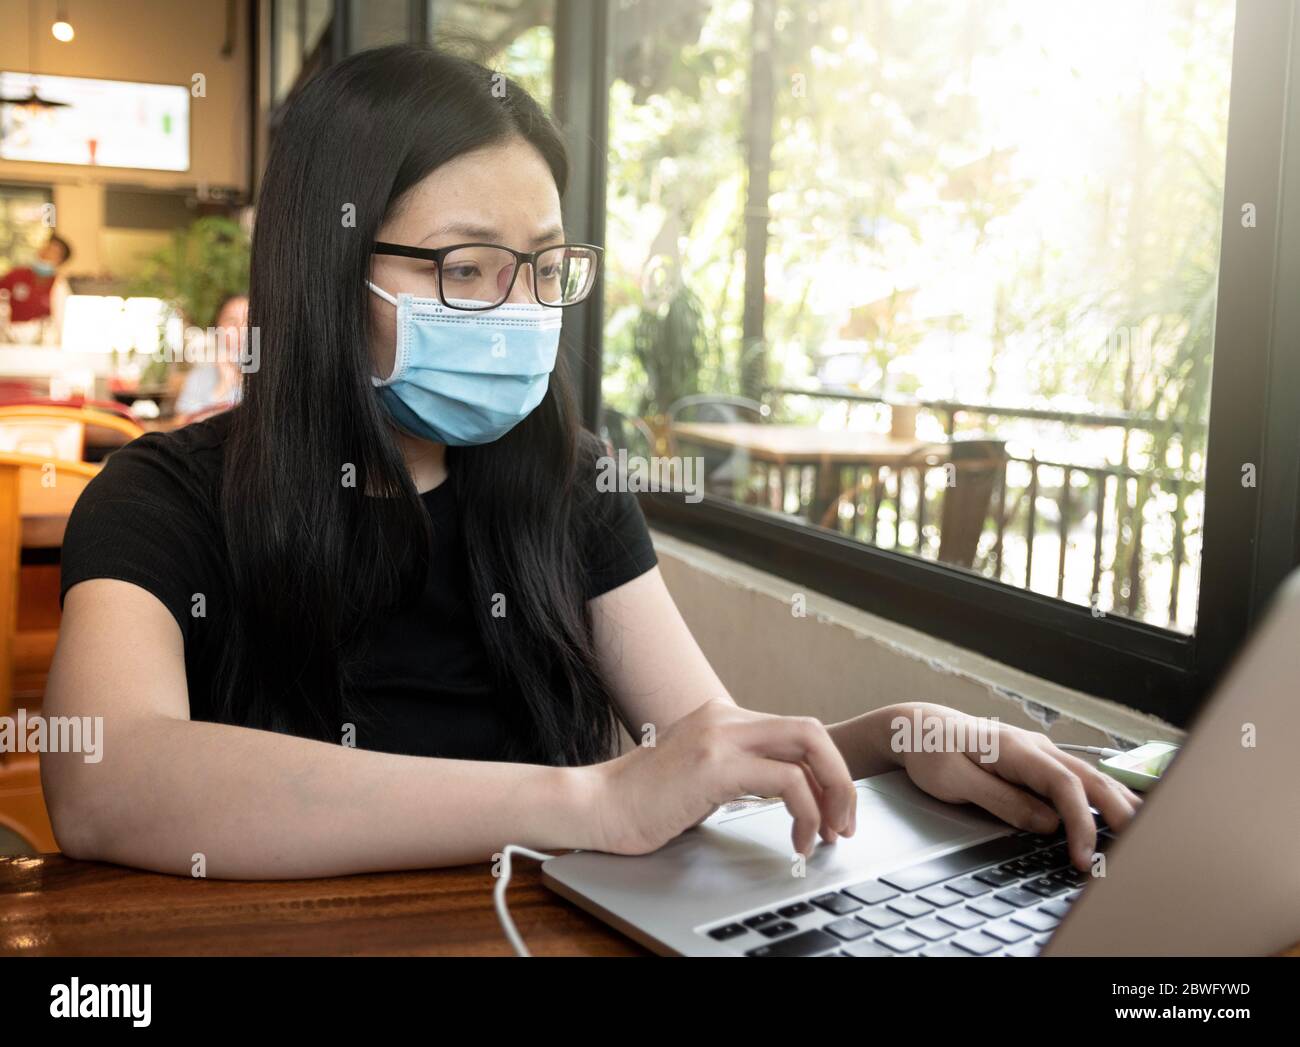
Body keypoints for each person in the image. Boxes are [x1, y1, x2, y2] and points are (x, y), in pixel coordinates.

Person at [42, 45, 1140, 880]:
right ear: (324, 271)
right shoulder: (161, 503)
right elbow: (107, 779)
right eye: (469, 269)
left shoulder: (567, 487)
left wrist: (891, 745)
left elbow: (700, 756)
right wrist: (585, 805)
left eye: (548, 269)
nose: (522, 312)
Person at [174, 292, 248, 418]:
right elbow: (183, 424)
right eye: (231, 321)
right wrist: (222, 388)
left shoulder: (276, 373)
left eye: (249, 320)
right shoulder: (199, 376)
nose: (240, 328)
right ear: (217, 328)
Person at [0, 232, 72, 340]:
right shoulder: (16, 275)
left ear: (60, 261)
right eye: (47, 248)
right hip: (10, 339)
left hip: (41, 343)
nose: (47, 254)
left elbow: (61, 321)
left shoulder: (59, 287)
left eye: (53, 252)